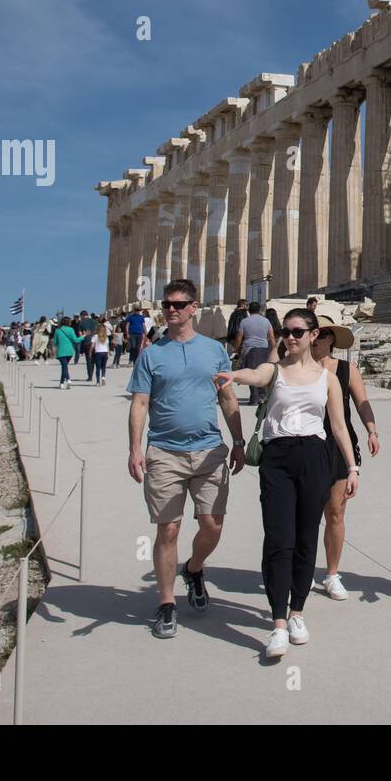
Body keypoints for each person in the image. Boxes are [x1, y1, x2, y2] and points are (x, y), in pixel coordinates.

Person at [214, 308, 357, 658]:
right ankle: (278, 622)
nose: (290, 337)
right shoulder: (274, 370)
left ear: (313, 335)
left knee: (307, 537)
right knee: (279, 538)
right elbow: (256, 374)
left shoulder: (327, 378)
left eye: (297, 332)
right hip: (277, 459)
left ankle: (297, 612)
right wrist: (235, 375)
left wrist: (352, 468)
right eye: (285, 332)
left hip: (315, 457)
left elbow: (338, 426)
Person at [128, 279, 245, 640]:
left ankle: (193, 569)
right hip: (164, 451)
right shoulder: (151, 354)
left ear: (194, 307)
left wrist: (238, 440)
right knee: (169, 528)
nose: (171, 310)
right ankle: (166, 603)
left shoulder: (213, 351)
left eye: (179, 304)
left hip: (209, 449)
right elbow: (140, 403)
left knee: (213, 524)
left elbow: (227, 399)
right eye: (167, 305)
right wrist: (135, 448)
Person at [309, 315, 379, 600]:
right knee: (306, 516)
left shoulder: (346, 369)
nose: (318, 338)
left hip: (338, 445)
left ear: (332, 340)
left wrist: (372, 431)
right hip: (304, 445)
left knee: (335, 512)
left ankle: (332, 574)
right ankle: (300, 572)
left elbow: (362, 403)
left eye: (324, 333)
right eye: (314, 332)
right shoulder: (295, 368)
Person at [233, 302, 276, 404]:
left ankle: (254, 398)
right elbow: (272, 337)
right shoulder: (266, 321)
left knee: (251, 374)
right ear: (259, 310)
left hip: (250, 351)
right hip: (264, 350)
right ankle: (262, 397)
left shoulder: (244, 322)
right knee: (263, 373)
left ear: (249, 310)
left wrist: (236, 350)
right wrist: (274, 350)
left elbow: (239, 338)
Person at [52, 317, 82, 389]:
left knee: (64, 367)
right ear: (69, 322)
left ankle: (68, 380)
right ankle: (62, 383)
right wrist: (83, 337)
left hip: (61, 352)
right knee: (64, 367)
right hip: (70, 352)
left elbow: (55, 342)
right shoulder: (71, 329)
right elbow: (76, 340)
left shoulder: (57, 330)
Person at [92, 316, 111, 386]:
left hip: (98, 353)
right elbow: (107, 346)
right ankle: (103, 377)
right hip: (105, 352)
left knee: (97, 367)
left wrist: (90, 352)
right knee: (103, 367)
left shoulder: (95, 336)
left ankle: (97, 382)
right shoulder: (106, 337)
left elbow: (92, 345)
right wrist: (108, 353)